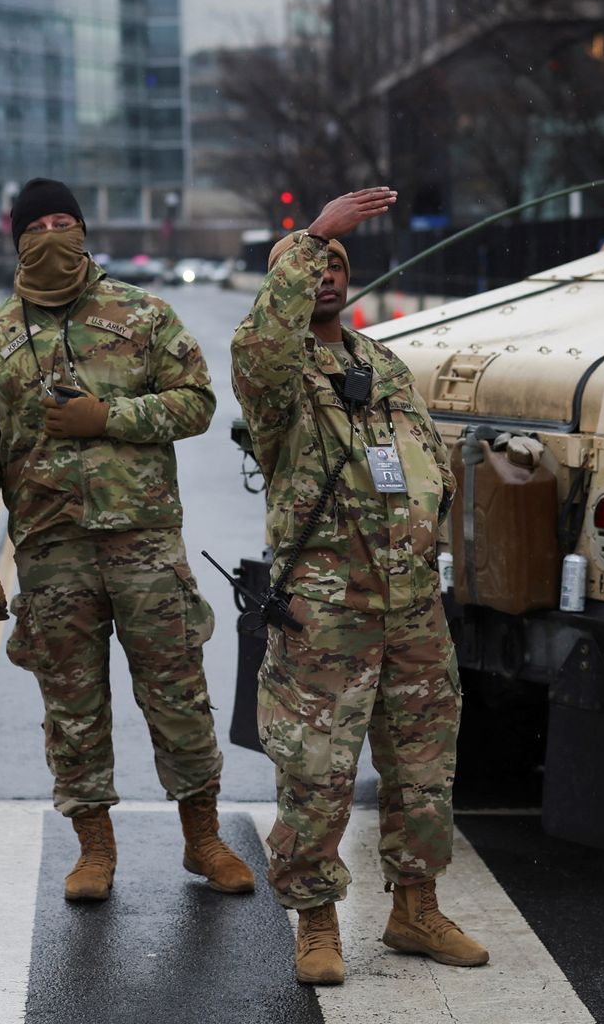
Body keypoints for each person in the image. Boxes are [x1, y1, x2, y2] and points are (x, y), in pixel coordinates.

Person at [0, 178, 255, 903]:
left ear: (84, 231)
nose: (53, 235)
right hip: (50, 551)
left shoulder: (142, 315)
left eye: (65, 222)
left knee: (178, 695)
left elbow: (197, 403)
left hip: (144, 543)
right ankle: (94, 848)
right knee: (72, 708)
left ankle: (203, 838)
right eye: (38, 226)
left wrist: (109, 417)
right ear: (17, 240)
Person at [230, 188, 488, 986]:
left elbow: (425, 457)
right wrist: (311, 235)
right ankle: (315, 921)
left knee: (423, 765)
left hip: (409, 605)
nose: (327, 273)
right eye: (311, 265)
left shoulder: (382, 365)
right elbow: (258, 351)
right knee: (316, 770)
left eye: (338, 263)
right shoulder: (276, 378)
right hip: (326, 612)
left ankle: (416, 908)